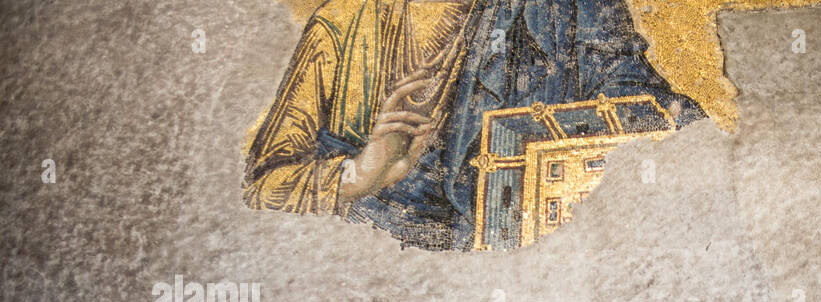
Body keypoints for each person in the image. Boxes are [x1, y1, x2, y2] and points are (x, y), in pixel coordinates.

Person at [244, 0, 705, 250]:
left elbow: (651, 108)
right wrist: (358, 176)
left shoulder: (563, 9)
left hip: (533, 279)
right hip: (379, 284)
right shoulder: (339, 30)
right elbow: (261, 186)